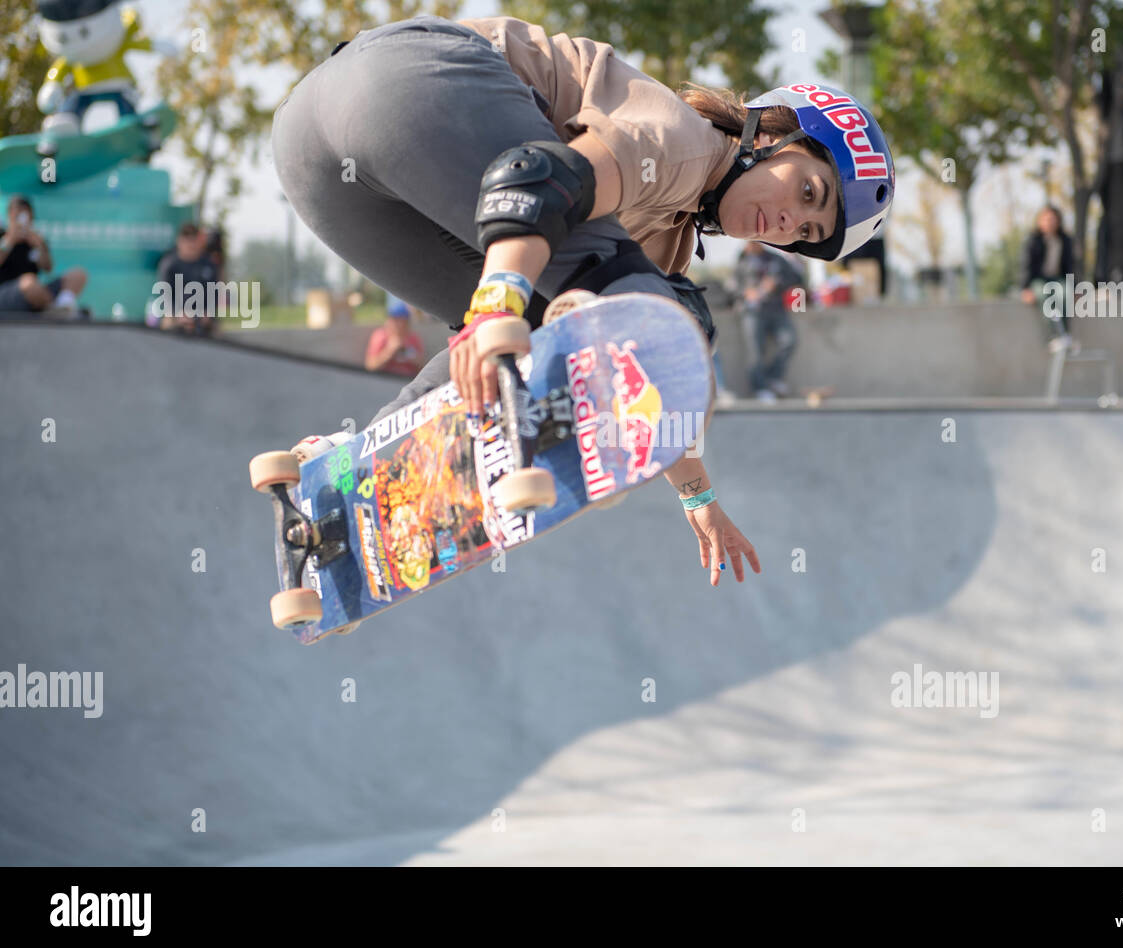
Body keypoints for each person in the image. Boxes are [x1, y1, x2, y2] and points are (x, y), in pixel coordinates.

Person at [273, 14, 894, 585]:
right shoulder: (686, 142)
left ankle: (344, 484)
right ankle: (545, 360)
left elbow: (655, 365)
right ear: (777, 136)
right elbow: (540, 183)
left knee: (631, 311)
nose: (787, 222)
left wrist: (697, 498)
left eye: (806, 233)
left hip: (320, 161)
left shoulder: (669, 238)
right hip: (413, 84)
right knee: (645, 312)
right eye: (808, 191)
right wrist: (496, 305)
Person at [0, 195, 87, 318]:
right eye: (17, 213)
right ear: (10, 215)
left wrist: (39, 246)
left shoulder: (36, 239)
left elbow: (48, 267)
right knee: (28, 282)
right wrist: (9, 241)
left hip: (36, 292)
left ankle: (60, 307)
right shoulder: (2, 235)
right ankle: (54, 309)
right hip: (5, 294)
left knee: (78, 274)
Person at [736, 241, 802, 401]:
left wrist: (776, 283)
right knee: (755, 351)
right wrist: (746, 292)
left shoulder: (776, 259)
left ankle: (773, 378)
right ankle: (760, 388)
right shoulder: (742, 261)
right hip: (752, 311)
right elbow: (732, 287)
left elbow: (796, 278)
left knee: (789, 340)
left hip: (776, 308)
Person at [1019, 205, 1075, 347]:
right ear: (1040, 222)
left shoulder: (1065, 240)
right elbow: (1026, 265)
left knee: (1065, 294)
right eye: (1046, 219)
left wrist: (1075, 287)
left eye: (1052, 219)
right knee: (1043, 296)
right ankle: (1053, 335)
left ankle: (1065, 333)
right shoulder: (1033, 241)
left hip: (1058, 279)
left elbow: (1071, 266)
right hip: (1038, 280)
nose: (1050, 222)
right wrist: (1025, 288)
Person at [153, 222, 220, 335]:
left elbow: (213, 295)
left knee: (211, 324)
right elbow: (165, 297)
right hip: (176, 316)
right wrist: (178, 314)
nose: (190, 244)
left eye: (193, 240)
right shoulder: (169, 265)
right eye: (187, 240)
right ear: (179, 242)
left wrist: (205, 314)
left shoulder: (208, 265)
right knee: (168, 320)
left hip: (200, 317)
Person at [365, 294, 426, 376]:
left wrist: (412, 357)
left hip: (407, 380)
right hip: (385, 380)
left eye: (403, 321)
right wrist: (389, 351)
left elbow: (424, 368)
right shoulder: (381, 336)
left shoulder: (413, 338)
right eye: (396, 320)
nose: (399, 325)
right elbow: (370, 366)